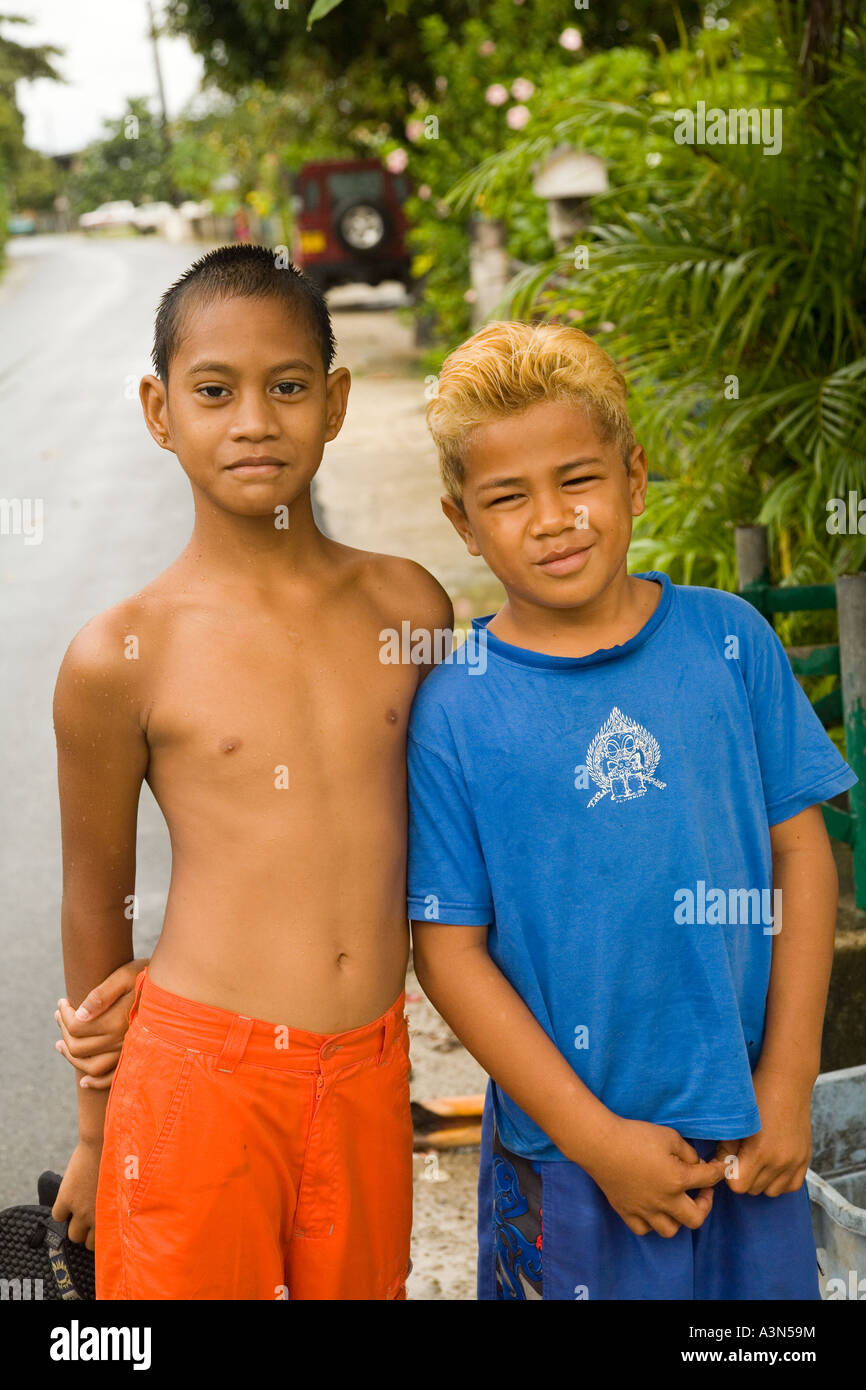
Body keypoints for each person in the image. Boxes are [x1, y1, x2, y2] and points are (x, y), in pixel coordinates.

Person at [405, 320, 856, 1300]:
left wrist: (787, 1083)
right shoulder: (455, 704)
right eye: (507, 497)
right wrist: (594, 1137)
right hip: (566, 1155)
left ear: (634, 477)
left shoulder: (728, 642)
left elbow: (803, 857)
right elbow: (446, 948)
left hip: (747, 1129)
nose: (552, 517)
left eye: (577, 478)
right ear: (461, 522)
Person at [51, 244, 451, 1300]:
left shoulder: (409, 609)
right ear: (158, 409)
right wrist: (96, 1134)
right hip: (199, 1079)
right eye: (214, 391)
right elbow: (96, 899)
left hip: (368, 1069)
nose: (253, 422)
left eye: (286, 388)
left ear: (335, 401)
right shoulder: (121, 652)